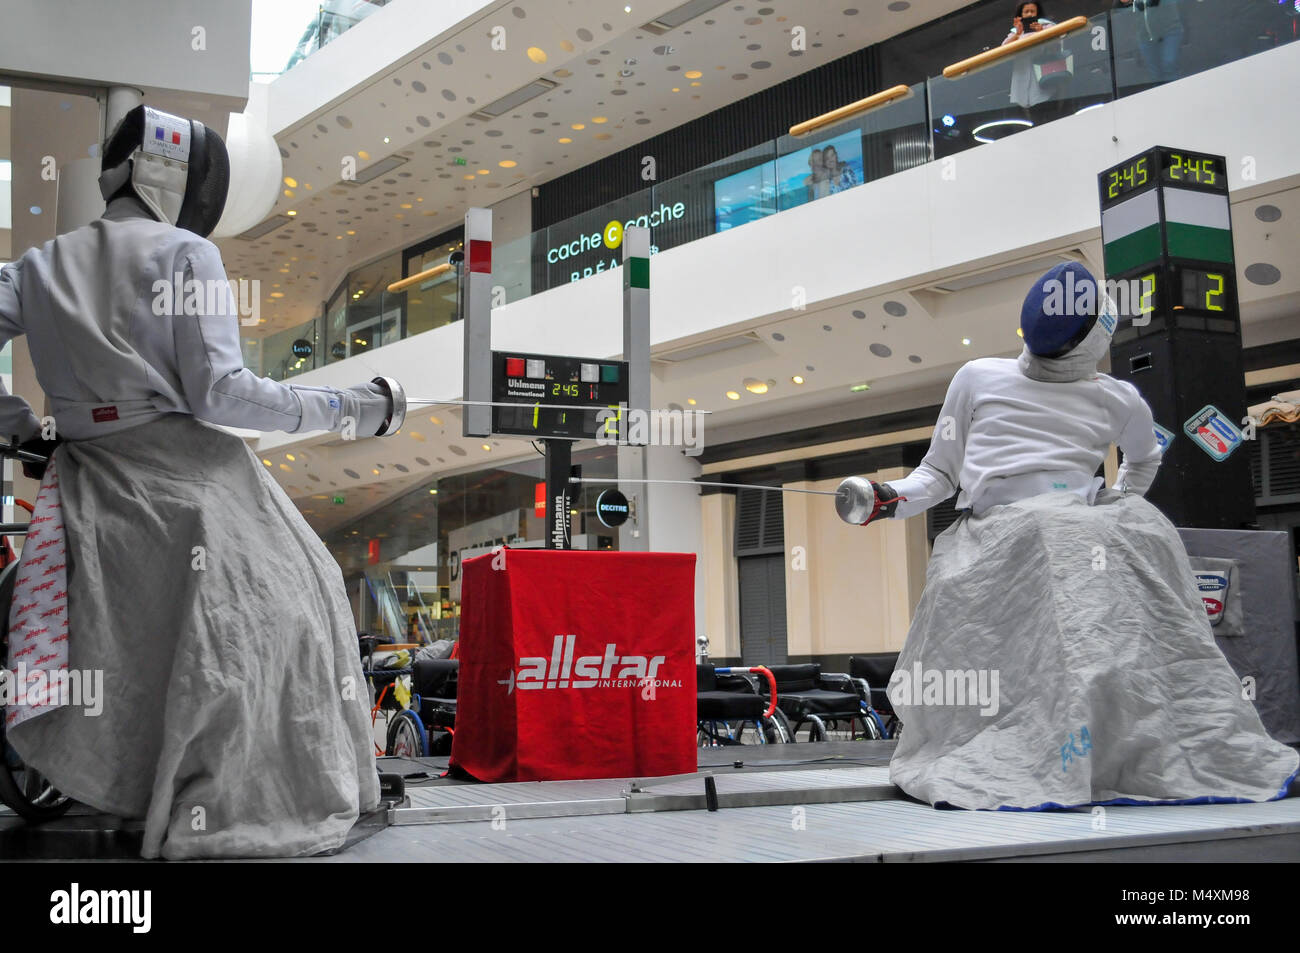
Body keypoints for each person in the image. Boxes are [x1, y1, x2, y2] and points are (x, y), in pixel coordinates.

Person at [0, 105, 404, 858]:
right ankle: (257, 782)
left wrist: (25, 428)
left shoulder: (40, 263)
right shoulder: (186, 254)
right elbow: (222, 393)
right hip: (191, 480)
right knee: (298, 585)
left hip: (88, 486)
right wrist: (351, 407)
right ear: (179, 177)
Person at [836, 263, 1299, 810]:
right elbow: (939, 473)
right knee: (1051, 530)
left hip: (1083, 522)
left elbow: (1145, 457)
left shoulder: (1117, 397)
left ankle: (1136, 739)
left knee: (1147, 532)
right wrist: (886, 499)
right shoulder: (977, 377)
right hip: (999, 529)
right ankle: (1037, 743)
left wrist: (1122, 500)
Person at [1001, 2, 1068, 117]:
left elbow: (1057, 46)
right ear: (1020, 15)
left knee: (1052, 114)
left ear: (1038, 13)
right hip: (1023, 81)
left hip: (1047, 79)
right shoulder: (1015, 32)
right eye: (1026, 11)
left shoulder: (1047, 26)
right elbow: (1003, 50)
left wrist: (1041, 32)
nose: (1030, 14)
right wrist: (1017, 34)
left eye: (1032, 11)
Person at [1113, 0, 1185, 85]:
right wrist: (1128, 6)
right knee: (1155, 74)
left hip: (1170, 31)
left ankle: (1175, 93)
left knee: (1169, 63)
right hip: (1145, 38)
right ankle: (1161, 95)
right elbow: (1119, 9)